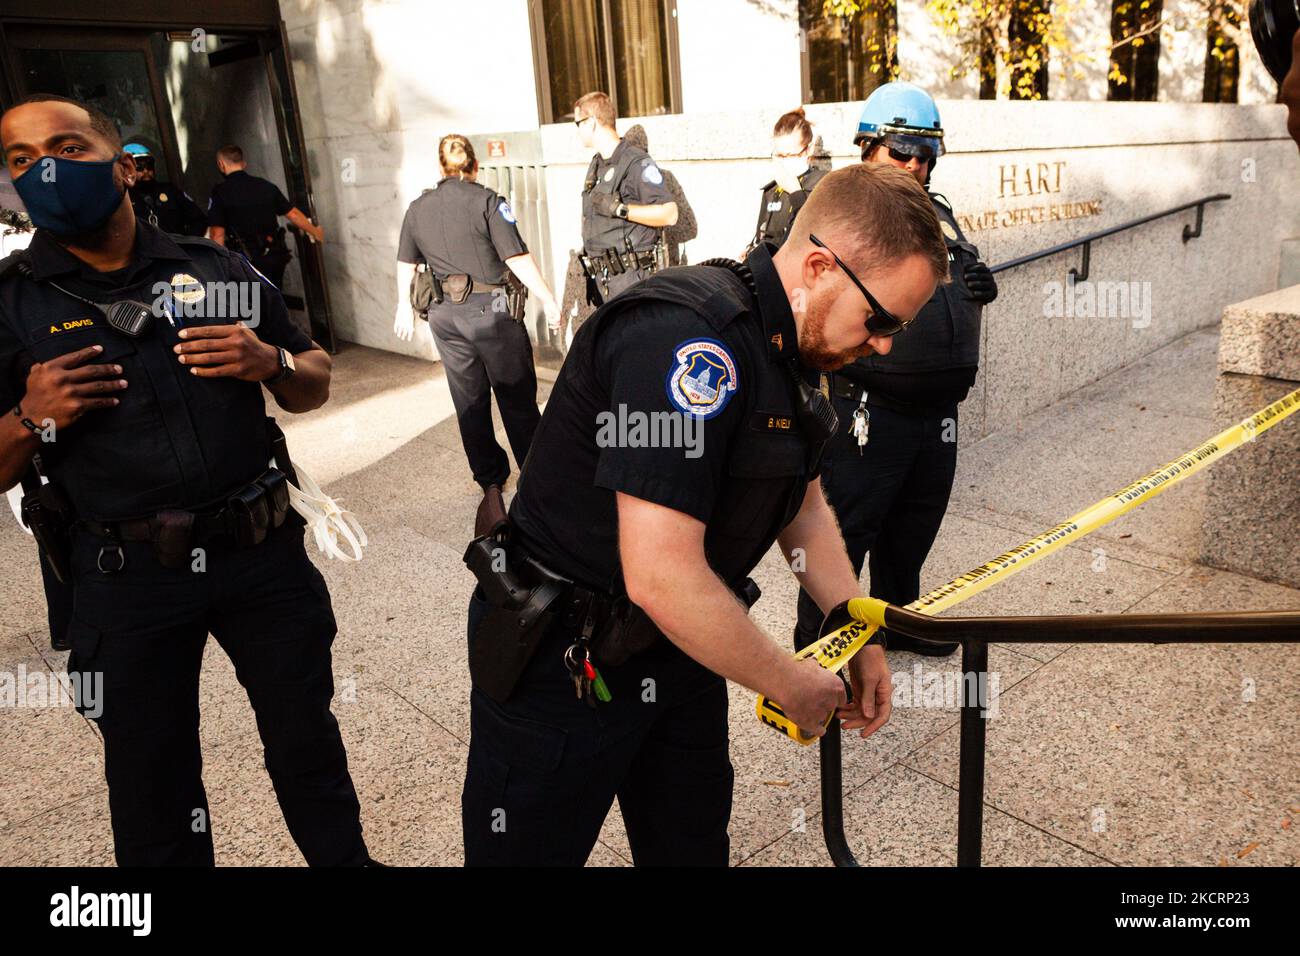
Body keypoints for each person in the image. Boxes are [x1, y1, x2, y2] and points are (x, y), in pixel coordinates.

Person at [460, 162, 949, 866]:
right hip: (564, 662)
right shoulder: (685, 340)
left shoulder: (790, 342)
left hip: (678, 649)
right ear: (820, 266)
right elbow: (659, 573)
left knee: (690, 849)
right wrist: (787, 682)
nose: (884, 345)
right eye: (880, 320)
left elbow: (802, 506)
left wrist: (855, 625)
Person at [0, 94, 373, 866]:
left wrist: (268, 360)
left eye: (66, 149)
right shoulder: (9, 304)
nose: (43, 171)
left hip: (261, 557)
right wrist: (32, 418)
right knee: (152, 781)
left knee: (307, 742)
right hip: (124, 577)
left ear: (123, 167)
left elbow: (314, 375)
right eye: (20, 160)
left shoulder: (211, 268)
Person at [793, 81, 999, 658]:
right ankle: (819, 646)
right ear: (868, 147)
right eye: (900, 151)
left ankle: (901, 624)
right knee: (845, 534)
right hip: (868, 411)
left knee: (912, 530)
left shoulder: (940, 213)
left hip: (938, 414)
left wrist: (979, 283)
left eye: (924, 154)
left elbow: (940, 281)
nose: (914, 164)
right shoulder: (843, 212)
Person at [393, 134, 560, 497]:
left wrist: (402, 306)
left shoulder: (417, 207)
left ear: (441, 167)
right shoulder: (488, 201)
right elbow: (515, 256)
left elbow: (405, 261)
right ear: (474, 166)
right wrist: (548, 298)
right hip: (493, 313)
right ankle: (539, 478)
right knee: (516, 398)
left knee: (468, 399)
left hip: (444, 317)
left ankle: (490, 480)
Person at [574, 92, 678, 306]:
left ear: (591, 122)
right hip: (604, 281)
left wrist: (620, 209)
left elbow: (670, 214)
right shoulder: (597, 163)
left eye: (578, 123)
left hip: (631, 281)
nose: (577, 131)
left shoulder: (635, 162)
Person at [207, 144, 322, 287]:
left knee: (253, 305)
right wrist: (315, 231)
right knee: (275, 297)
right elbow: (293, 214)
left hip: (245, 260)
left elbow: (217, 233)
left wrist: (221, 265)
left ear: (221, 164)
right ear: (243, 163)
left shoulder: (220, 192)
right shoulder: (265, 186)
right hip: (275, 254)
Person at [746, 107, 828, 254]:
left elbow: (817, 233)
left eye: (790, 155)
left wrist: (796, 192)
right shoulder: (771, 191)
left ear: (808, 150)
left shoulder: (823, 185)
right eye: (780, 155)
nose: (784, 162)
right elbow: (762, 234)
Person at [122, 143, 206, 237]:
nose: (146, 171)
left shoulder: (170, 191)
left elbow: (198, 220)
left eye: (149, 165)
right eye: (139, 167)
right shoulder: (124, 200)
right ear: (127, 170)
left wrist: (187, 245)